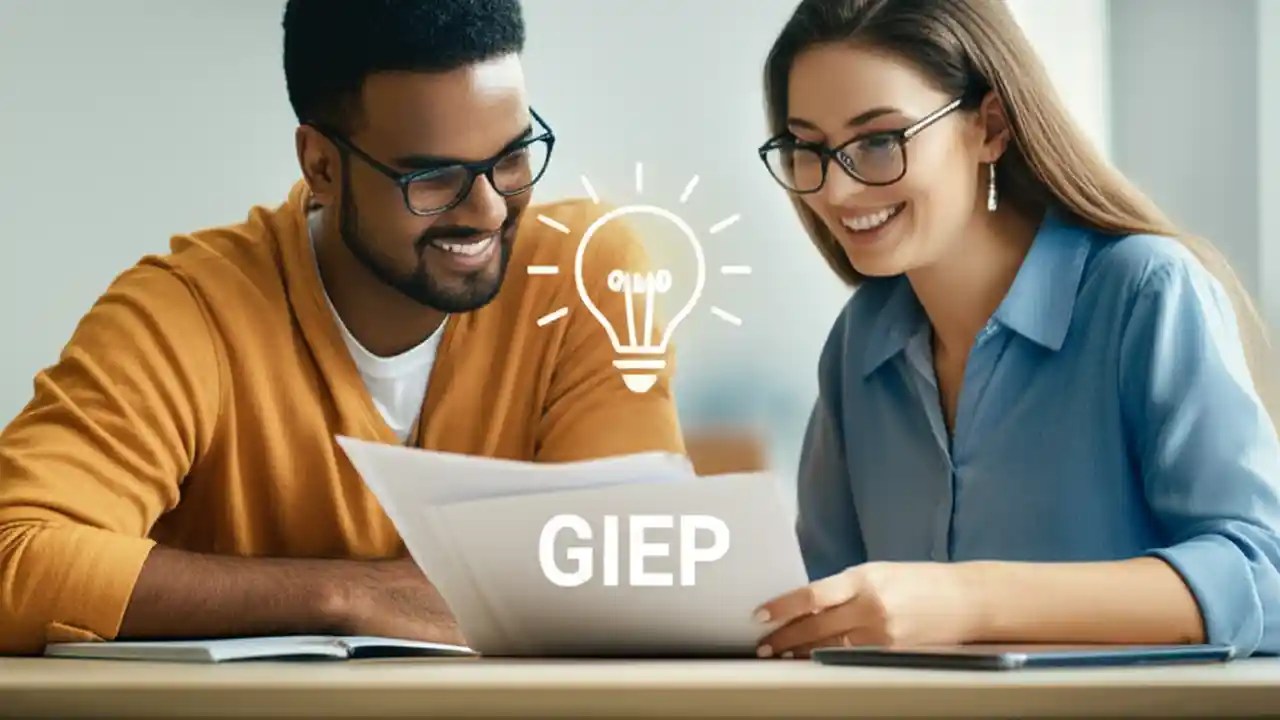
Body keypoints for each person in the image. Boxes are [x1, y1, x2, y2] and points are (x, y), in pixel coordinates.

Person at [0, 0, 684, 656]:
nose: (488, 211)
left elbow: (631, 570)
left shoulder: (587, 275)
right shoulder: (186, 312)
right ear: (321, 166)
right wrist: (343, 596)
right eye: (435, 176)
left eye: (512, 157)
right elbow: (15, 551)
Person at [750, 0, 1280, 659]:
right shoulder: (861, 341)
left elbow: (1265, 578)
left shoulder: (1144, 291)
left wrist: (968, 601)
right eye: (808, 148)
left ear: (990, 127)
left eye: (879, 141)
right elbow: (819, 614)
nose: (835, 190)